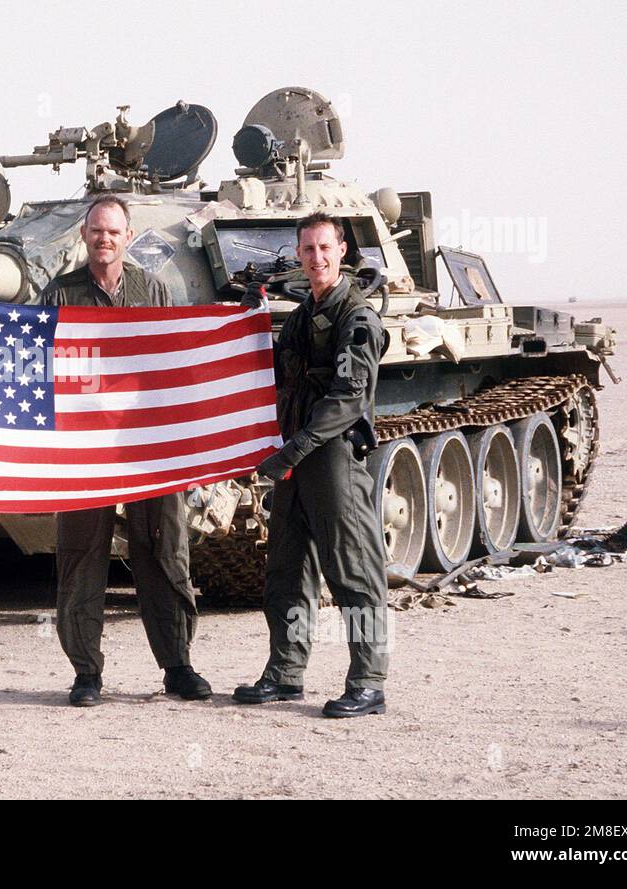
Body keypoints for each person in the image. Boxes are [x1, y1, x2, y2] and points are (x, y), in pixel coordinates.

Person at [40, 195, 212, 706]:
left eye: (114, 232)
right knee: (80, 559)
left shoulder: (151, 290)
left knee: (164, 551)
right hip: (86, 451)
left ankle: (178, 665)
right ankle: (87, 672)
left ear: (128, 237)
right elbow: (41, 366)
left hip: (146, 448)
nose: (104, 239)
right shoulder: (61, 294)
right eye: (96, 231)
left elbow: (174, 366)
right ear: (84, 236)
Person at [233, 211, 391, 717]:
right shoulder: (303, 315)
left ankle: (368, 681)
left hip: (333, 457)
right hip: (297, 457)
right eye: (308, 250)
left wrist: (293, 450)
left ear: (342, 251)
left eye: (325, 248)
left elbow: (348, 397)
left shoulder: (356, 317)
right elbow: (276, 376)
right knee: (286, 568)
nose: (316, 258)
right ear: (298, 255)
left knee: (352, 571)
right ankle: (285, 671)